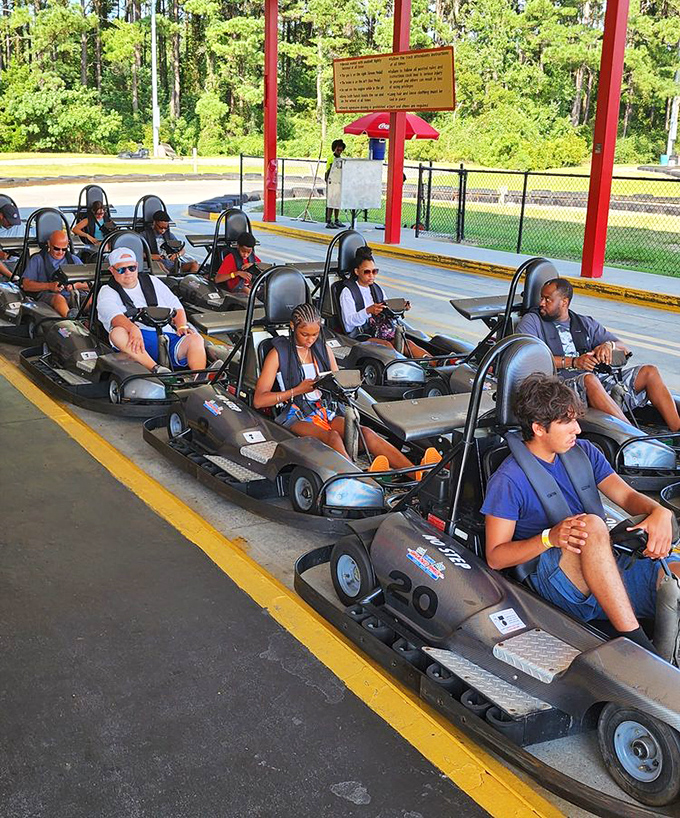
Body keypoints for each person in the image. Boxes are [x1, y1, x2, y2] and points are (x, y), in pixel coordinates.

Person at [482, 373, 680, 652]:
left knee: (675, 576)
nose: (577, 429)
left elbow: (626, 496)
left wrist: (658, 511)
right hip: (559, 579)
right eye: (567, 422)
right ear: (539, 428)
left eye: (575, 419)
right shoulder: (508, 480)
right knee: (592, 525)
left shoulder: (584, 451)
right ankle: (637, 648)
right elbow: (495, 557)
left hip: (604, 559)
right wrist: (549, 538)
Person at [254, 302, 438, 472]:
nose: (310, 340)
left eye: (315, 334)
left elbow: (338, 379)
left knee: (366, 433)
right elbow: (259, 400)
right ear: (293, 327)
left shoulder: (322, 349)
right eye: (305, 334)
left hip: (326, 410)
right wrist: (297, 390)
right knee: (332, 437)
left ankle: (416, 473)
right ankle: (357, 478)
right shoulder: (278, 353)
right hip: (297, 415)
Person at [517, 277, 680, 431]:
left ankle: (677, 430)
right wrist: (574, 362)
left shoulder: (584, 323)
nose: (541, 303)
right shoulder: (532, 321)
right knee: (589, 379)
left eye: (547, 299)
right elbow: (526, 357)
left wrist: (608, 346)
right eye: (541, 298)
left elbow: (625, 350)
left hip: (596, 382)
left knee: (649, 371)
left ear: (564, 302)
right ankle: (634, 438)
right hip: (558, 386)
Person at [97, 246, 207, 375]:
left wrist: (181, 325)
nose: (128, 272)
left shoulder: (152, 281)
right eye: (121, 269)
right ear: (112, 270)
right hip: (136, 341)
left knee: (195, 338)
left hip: (166, 335)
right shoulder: (107, 291)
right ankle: (156, 369)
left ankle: (199, 377)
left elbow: (176, 305)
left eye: (131, 268)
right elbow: (113, 316)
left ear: (137, 266)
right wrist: (133, 329)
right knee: (117, 332)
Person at [338, 247, 428, 358]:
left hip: (380, 331)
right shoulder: (348, 292)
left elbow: (387, 308)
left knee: (407, 343)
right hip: (360, 334)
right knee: (386, 346)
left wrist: (401, 307)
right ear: (357, 271)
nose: (372, 275)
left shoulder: (377, 289)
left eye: (374, 271)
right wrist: (368, 311)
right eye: (367, 272)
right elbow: (348, 323)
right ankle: (406, 367)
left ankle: (436, 363)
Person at [21, 230, 90, 317]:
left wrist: (76, 286)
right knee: (58, 299)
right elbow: (26, 285)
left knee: (93, 298)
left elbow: (90, 284)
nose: (60, 252)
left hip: (74, 296)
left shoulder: (73, 259)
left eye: (64, 249)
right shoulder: (38, 259)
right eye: (57, 248)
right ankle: (72, 322)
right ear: (49, 244)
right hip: (50, 296)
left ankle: (94, 324)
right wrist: (49, 286)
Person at [143, 210, 199, 275]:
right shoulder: (144, 235)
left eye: (165, 228)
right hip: (157, 264)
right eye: (160, 228)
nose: (163, 230)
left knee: (194, 265)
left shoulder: (169, 235)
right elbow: (138, 253)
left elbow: (182, 250)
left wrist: (177, 255)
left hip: (172, 264)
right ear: (154, 223)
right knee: (160, 267)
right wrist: (151, 256)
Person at [324, 139, 346, 230]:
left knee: (337, 202)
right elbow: (328, 171)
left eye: (341, 150)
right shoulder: (331, 158)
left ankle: (336, 219)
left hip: (339, 182)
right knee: (331, 202)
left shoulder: (341, 159)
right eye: (338, 150)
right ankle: (329, 220)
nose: (339, 152)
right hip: (331, 182)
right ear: (334, 149)